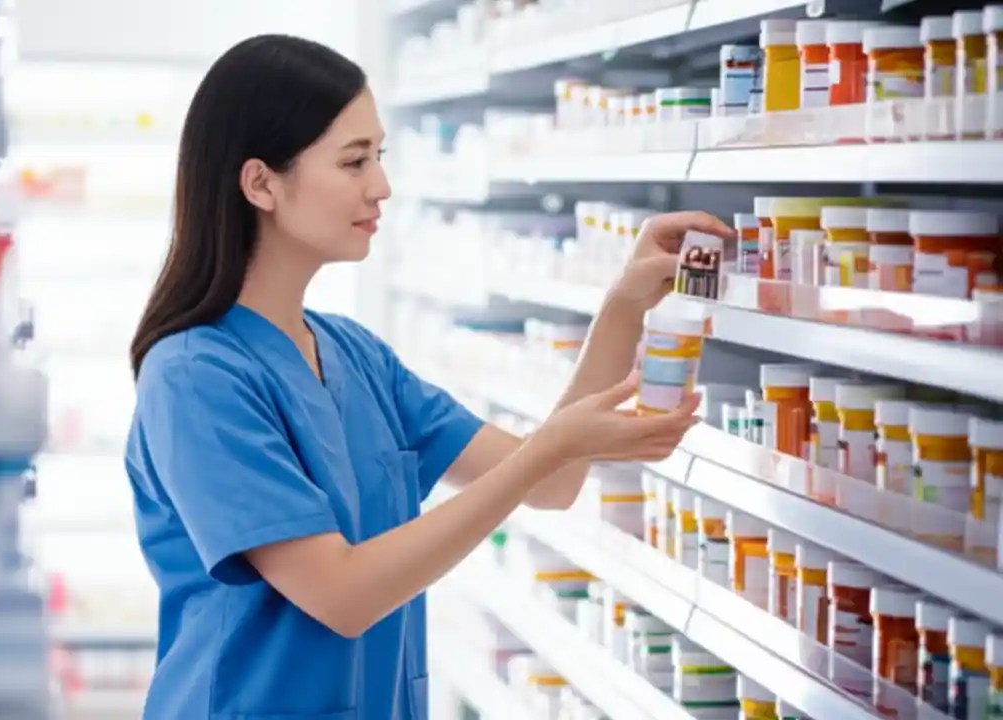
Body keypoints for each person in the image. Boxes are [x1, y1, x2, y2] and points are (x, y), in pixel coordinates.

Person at [125, 34, 732, 720]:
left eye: (378, 157)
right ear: (261, 183)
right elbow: (342, 595)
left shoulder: (354, 355)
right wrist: (553, 445)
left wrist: (625, 305)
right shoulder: (194, 378)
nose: (380, 186)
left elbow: (551, 483)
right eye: (354, 161)